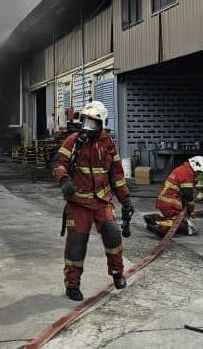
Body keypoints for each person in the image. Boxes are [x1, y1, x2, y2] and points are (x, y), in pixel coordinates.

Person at [53, 100, 133, 302]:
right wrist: (64, 180)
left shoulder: (108, 144)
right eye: (87, 122)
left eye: (94, 123)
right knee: (76, 245)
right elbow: (58, 164)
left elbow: (117, 175)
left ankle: (117, 273)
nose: (89, 127)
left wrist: (125, 200)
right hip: (78, 203)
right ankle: (72, 285)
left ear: (102, 124)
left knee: (113, 236)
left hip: (102, 202)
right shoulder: (73, 141)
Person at [143, 156, 203, 237]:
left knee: (173, 219)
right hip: (170, 204)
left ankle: (153, 219)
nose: (198, 175)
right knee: (180, 224)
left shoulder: (183, 169)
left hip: (165, 202)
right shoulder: (187, 174)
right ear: (196, 167)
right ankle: (159, 225)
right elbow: (188, 196)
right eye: (199, 172)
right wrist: (191, 211)